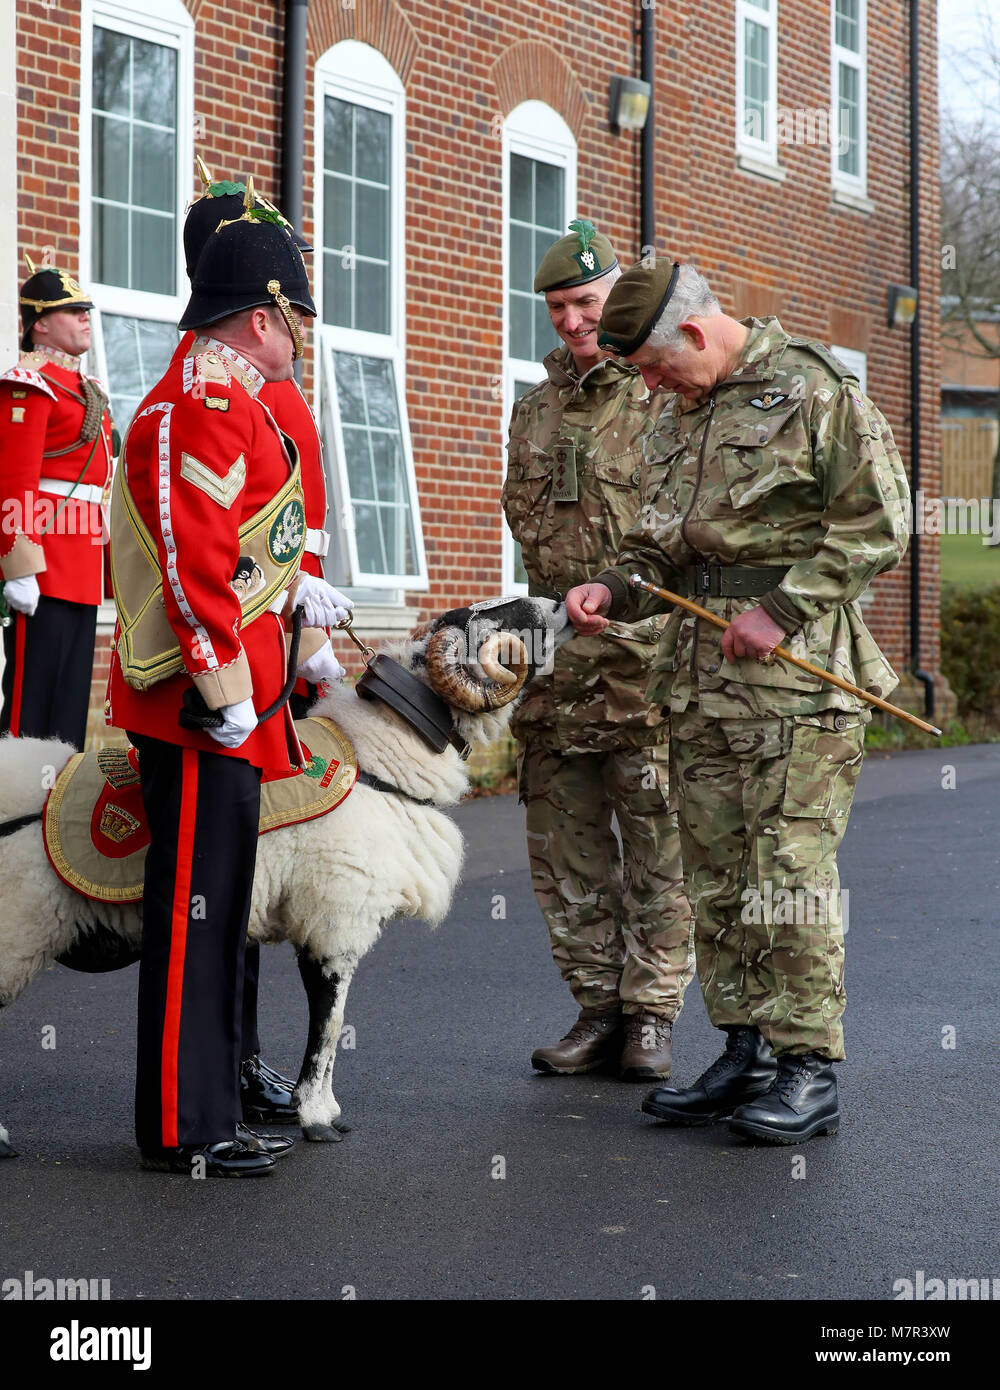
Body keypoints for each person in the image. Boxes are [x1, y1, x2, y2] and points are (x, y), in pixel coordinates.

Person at [565, 259, 909, 1141]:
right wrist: (614, 587)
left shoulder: (814, 389)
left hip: (798, 684)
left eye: (649, 364)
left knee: (786, 877)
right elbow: (656, 547)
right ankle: (746, 1047)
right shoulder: (678, 410)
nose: (644, 384)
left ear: (692, 330)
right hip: (699, 683)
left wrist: (781, 609)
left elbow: (881, 520)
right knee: (715, 876)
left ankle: (808, 1068)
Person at [107, 205, 352, 1175]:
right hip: (206, 701)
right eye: (295, 320)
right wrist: (223, 686)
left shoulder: (233, 404)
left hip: (236, 699)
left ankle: (205, 1108)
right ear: (262, 316)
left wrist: (295, 584)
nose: (301, 339)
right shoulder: (197, 408)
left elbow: (242, 546)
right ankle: (183, 1123)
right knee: (193, 915)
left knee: (218, 910)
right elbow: (192, 560)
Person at [502, 222, 693, 1081]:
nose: (573, 321)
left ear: (615, 295)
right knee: (565, 848)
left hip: (645, 662)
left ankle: (652, 1015)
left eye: (586, 301)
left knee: (657, 845)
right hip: (557, 670)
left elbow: (690, 534)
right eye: (557, 308)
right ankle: (595, 1008)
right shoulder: (534, 407)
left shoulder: (663, 394)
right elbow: (529, 535)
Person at [175, 161, 340, 1125]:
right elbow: (218, 529)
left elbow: (297, 508)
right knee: (222, 873)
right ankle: (224, 1062)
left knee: (252, 860)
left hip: (277, 636)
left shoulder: (262, 383)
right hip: (242, 642)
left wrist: (306, 622)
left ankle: (238, 1053)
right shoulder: (217, 382)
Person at [0, 260, 113, 748]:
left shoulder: (88, 390)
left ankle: (51, 808)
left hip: (81, 563)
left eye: (86, 308)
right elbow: (15, 476)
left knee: (68, 711)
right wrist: (19, 563)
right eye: (72, 309)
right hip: (43, 564)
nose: (86, 316)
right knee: (32, 707)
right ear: (40, 322)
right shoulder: (29, 382)